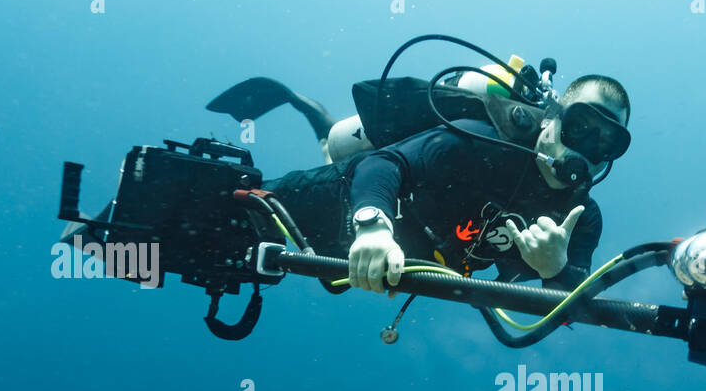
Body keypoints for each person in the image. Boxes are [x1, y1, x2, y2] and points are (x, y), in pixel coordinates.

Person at [253, 75, 631, 296]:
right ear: (550, 122)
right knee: (247, 203)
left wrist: (555, 269)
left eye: (606, 142)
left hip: (399, 260)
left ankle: (323, 132)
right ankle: (315, 116)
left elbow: (564, 309)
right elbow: (383, 162)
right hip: (348, 199)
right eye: (580, 127)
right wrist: (372, 226)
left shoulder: (580, 220)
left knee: (331, 281)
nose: (587, 149)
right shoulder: (481, 143)